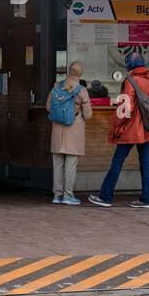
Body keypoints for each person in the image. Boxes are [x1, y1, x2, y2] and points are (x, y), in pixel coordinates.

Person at [88, 51, 149, 209]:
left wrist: (118, 126)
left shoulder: (130, 81)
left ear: (129, 65)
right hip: (146, 129)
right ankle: (147, 198)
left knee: (117, 161)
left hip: (130, 129)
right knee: (145, 163)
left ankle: (105, 196)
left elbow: (125, 108)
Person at [46, 60, 92, 205]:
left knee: (58, 164)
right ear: (81, 74)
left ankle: (57, 195)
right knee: (71, 164)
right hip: (74, 130)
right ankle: (68, 195)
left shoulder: (56, 87)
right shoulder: (81, 90)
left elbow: (48, 107)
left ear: (68, 71)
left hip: (57, 131)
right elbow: (88, 114)